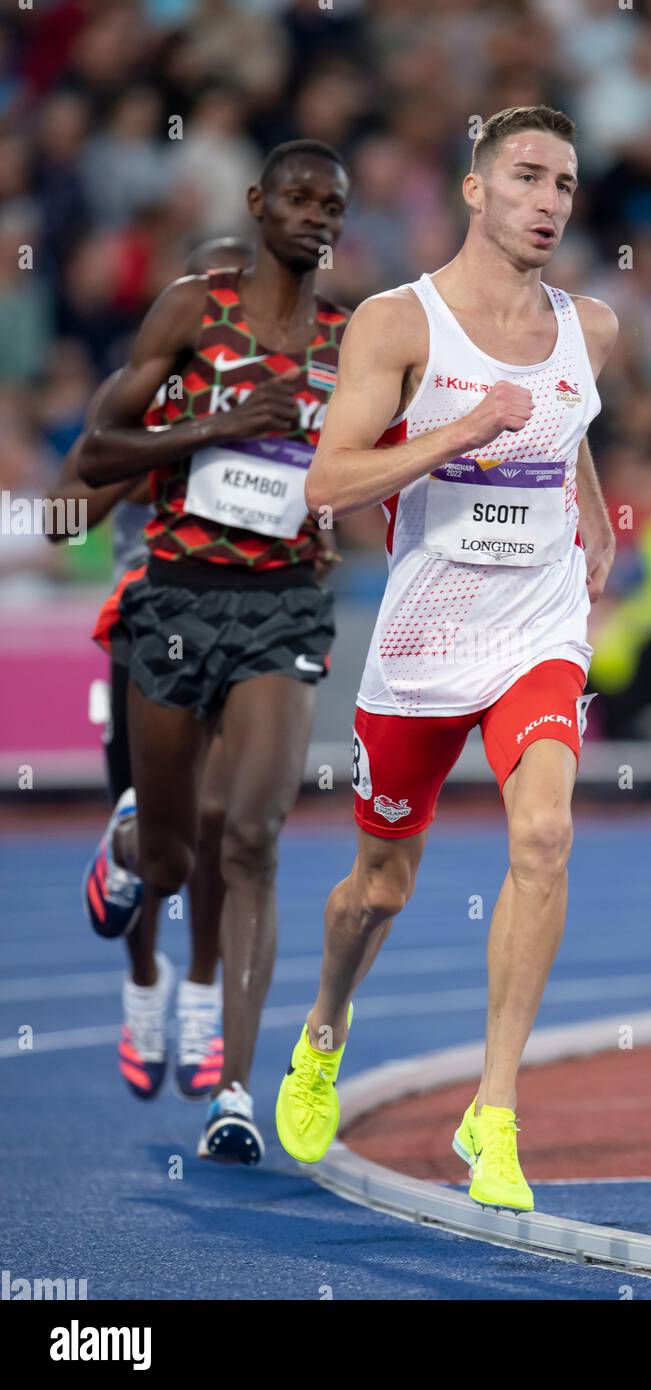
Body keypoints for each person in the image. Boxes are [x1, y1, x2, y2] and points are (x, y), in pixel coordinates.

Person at [274, 106, 618, 1213]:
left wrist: (596, 510)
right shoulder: (396, 323)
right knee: (380, 888)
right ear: (474, 191)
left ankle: (496, 1110)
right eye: (525, 177)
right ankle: (326, 1024)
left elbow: (567, 423)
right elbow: (326, 485)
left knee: (546, 831)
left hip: (537, 626)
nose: (547, 202)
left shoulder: (591, 325)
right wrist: (456, 436)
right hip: (423, 641)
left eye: (563, 184)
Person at [76, 141, 351, 1163]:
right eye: (297, 196)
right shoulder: (197, 308)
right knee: (176, 856)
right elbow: (96, 453)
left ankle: (232, 1089)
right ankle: (127, 849)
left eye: (332, 202)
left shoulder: (351, 336)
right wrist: (223, 425)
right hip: (177, 599)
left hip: (283, 609)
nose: (316, 214)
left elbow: (370, 460)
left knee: (253, 838)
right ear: (257, 202)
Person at [47, 238, 255, 1105]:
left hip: (243, 623)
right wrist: (163, 454)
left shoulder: (283, 390)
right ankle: (144, 986)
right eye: (207, 296)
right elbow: (61, 518)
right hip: (144, 620)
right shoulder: (138, 388)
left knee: (215, 824)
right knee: (150, 827)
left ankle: (204, 989)